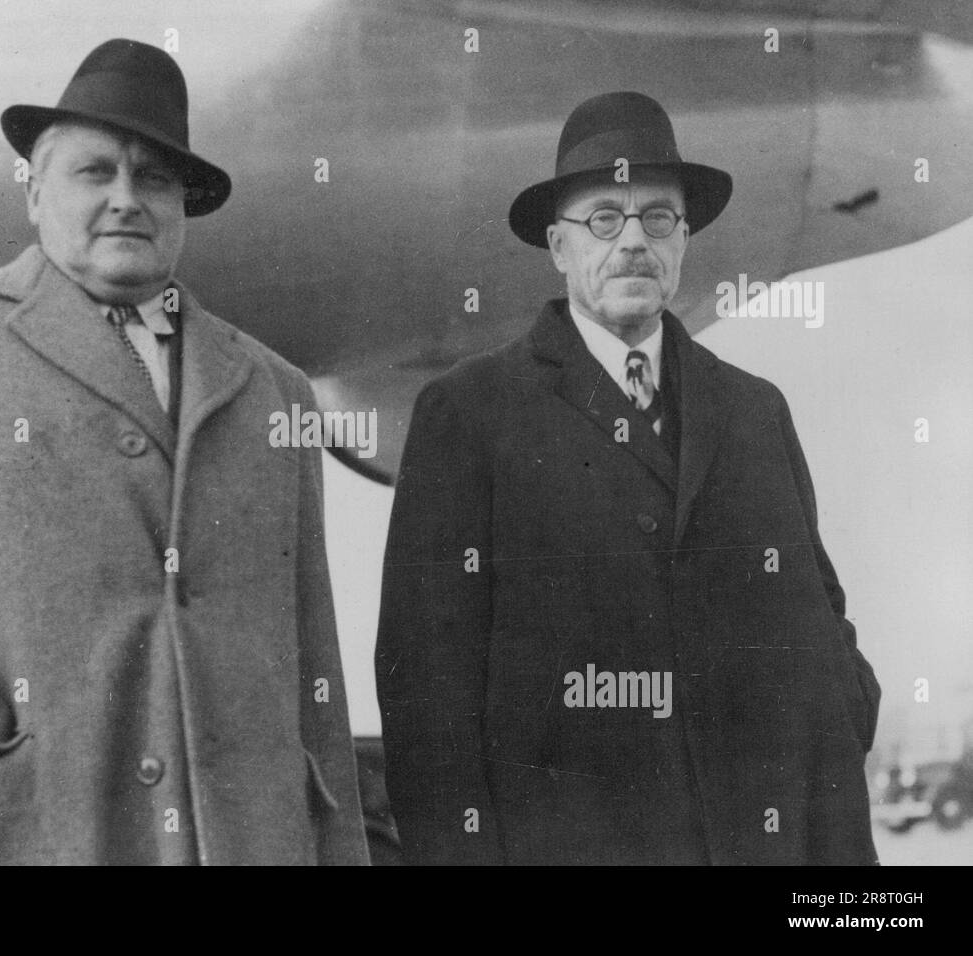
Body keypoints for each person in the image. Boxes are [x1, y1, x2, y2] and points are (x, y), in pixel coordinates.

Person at [0, 38, 368, 865]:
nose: (127, 199)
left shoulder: (275, 389)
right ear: (35, 192)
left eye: (154, 179)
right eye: (95, 172)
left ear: (184, 207)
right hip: (23, 834)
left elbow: (311, 658)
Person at [375, 91, 880, 865]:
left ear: (684, 238)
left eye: (658, 218)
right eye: (603, 219)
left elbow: (819, 619)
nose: (633, 242)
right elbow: (427, 693)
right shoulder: (468, 414)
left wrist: (841, 720)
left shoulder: (753, 410)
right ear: (558, 246)